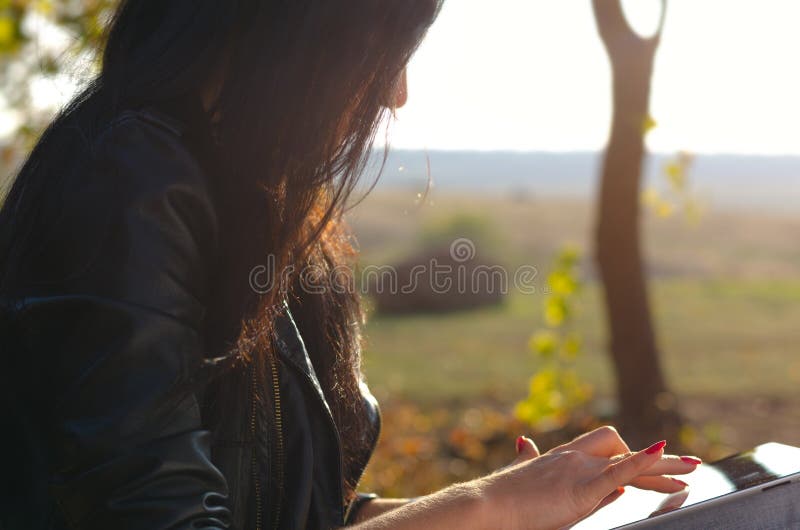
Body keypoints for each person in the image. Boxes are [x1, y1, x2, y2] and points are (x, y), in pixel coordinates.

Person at [0, 1, 701, 528]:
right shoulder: (128, 186)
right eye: (383, 50)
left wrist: (529, 502)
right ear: (305, 30)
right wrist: (485, 505)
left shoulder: (264, 204)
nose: (396, 92)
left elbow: (303, 512)